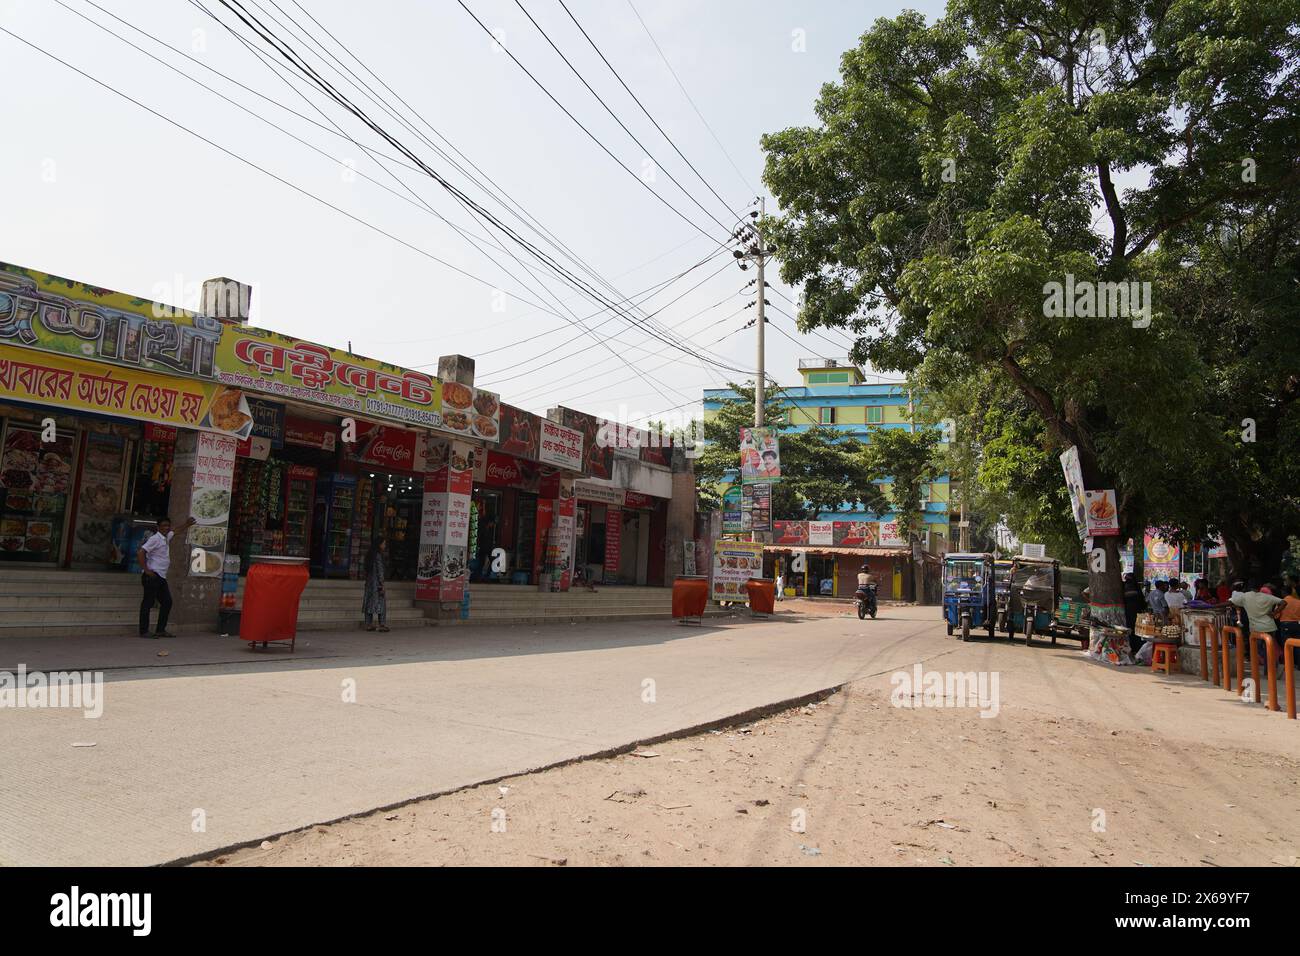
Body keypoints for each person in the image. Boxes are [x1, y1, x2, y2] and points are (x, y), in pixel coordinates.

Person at [137, 515, 196, 638]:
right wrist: (146, 570)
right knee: (148, 603)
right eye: (163, 526)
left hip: (161, 577)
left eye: (167, 526)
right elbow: (141, 552)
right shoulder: (155, 539)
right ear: (158, 527)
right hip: (152, 575)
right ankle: (144, 631)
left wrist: (187, 524)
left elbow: (176, 531)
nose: (166, 528)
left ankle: (160, 629)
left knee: (167, 602)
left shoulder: (166, 537)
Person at [364, 539, 389, 632]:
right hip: (377, 584)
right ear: (379, 545)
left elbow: (366, 570)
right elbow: (380, 571)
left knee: (369, 603)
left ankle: (368, 624)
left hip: (369, 584)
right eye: (384, 543)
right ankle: (382, 624)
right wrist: (382, 584)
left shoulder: (369, 555)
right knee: (381, 604)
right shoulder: (378, 556)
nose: (385, 546)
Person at [1122, 572, 1146, 657]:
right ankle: (1137, 648)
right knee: (1137, 631)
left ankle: (1131, 648)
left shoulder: (1123, 587)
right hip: (1137, 612)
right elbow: (1142, 601)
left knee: (1129, 630)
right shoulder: (1137, 587)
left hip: (1127, 612)